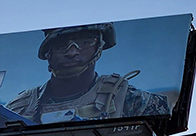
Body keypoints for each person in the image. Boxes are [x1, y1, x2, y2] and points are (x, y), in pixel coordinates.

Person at [6, 22, 171, 124]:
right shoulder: (21, 104)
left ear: (98, 48)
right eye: (62, 46)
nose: (72, 53)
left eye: (85, 42)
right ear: (49, 53)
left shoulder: (126, 97)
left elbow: (166, 126)